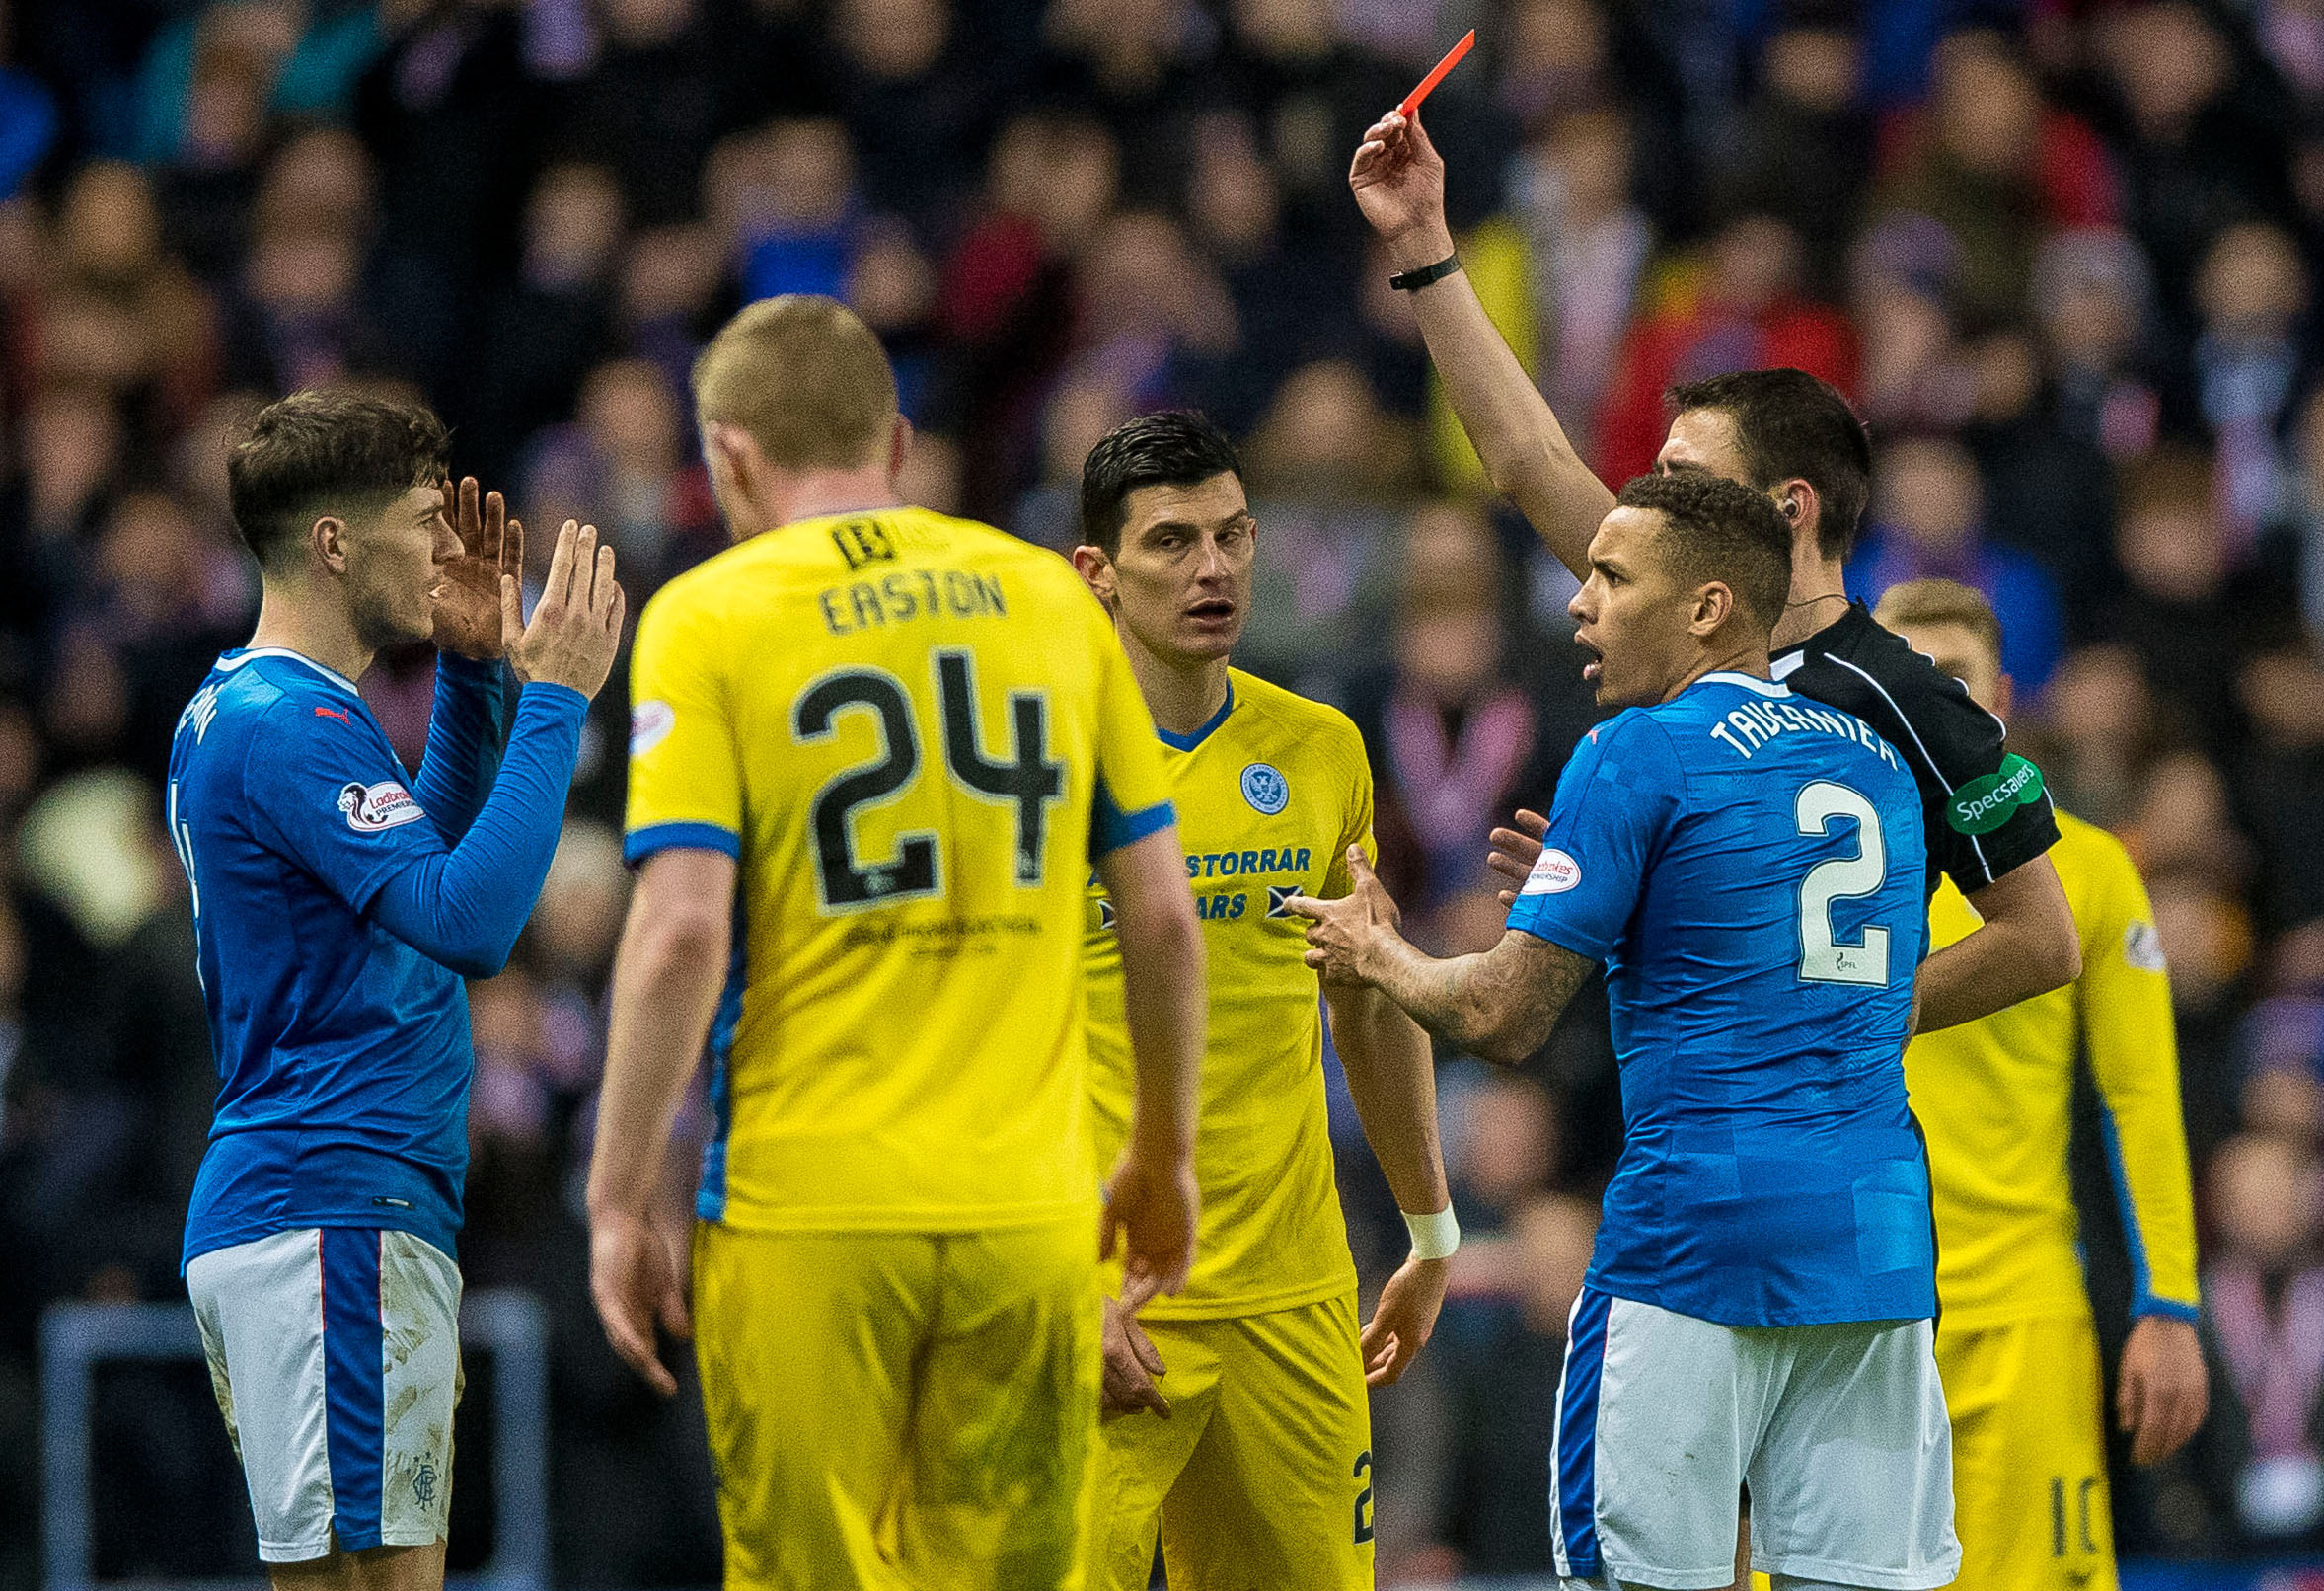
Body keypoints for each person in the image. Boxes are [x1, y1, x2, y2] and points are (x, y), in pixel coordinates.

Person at [585, 295, 1205, 1590]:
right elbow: (1157, 914)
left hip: (805, 1207)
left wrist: (617, 1194)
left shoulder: (707, 615)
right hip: (1029, 1214)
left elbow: (680, 932)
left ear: (730, 454)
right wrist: (1160, 1154)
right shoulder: (1047, 599)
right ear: (897, 438)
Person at [1293, 472, 1958, 1591]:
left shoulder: (1634, 751)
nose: (1578, 604)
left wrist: (1378, 951)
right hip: (1879, 1241)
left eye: (1610, 575)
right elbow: (1770, 952)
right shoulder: (1878, 762)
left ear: (1706, 607)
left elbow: (1502, 1015)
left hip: (1694, 1241)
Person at [1346, 106, 2080, 1034]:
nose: (1649, 507)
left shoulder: (1908, 698)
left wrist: (1836, 1010)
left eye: (1684, 482)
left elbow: (2041, 939)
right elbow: (1526, 459)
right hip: (1682, 1131)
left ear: (1788, 508)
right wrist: (1423, 247)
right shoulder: (1662, 607)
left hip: (1830, 1137)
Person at [170, 393, 626, 1583]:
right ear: (333, 542)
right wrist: (559, 697)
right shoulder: (292, 721)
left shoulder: (253, 704)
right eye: (424, 519)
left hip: (312, 1202)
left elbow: (425, 869)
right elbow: (469, 924)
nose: (447, 546)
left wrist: (476, 679)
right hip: (335, 1204)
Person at [1068, 411, 1454, 1590]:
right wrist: (1053, 1278)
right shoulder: (1039, 764)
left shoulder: (1322, 746)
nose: (1214, 569)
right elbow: (971, 1040)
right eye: (1173, 542)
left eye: (1233, 535)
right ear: (1097, 572)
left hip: (1291, 1301)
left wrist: (1431, 1226)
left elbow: (1368, 1001)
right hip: (1100, 1298)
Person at [1871, 578, 2208, 1591]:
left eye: (1953, 685)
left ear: (2002, 698)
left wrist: (2171, 1304)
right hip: (1849, 1312)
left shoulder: (2090, 870)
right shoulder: (1814, 863)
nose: (1924, 711)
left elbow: (2140, 1095)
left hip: (2022, 1321)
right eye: (1899, 686)